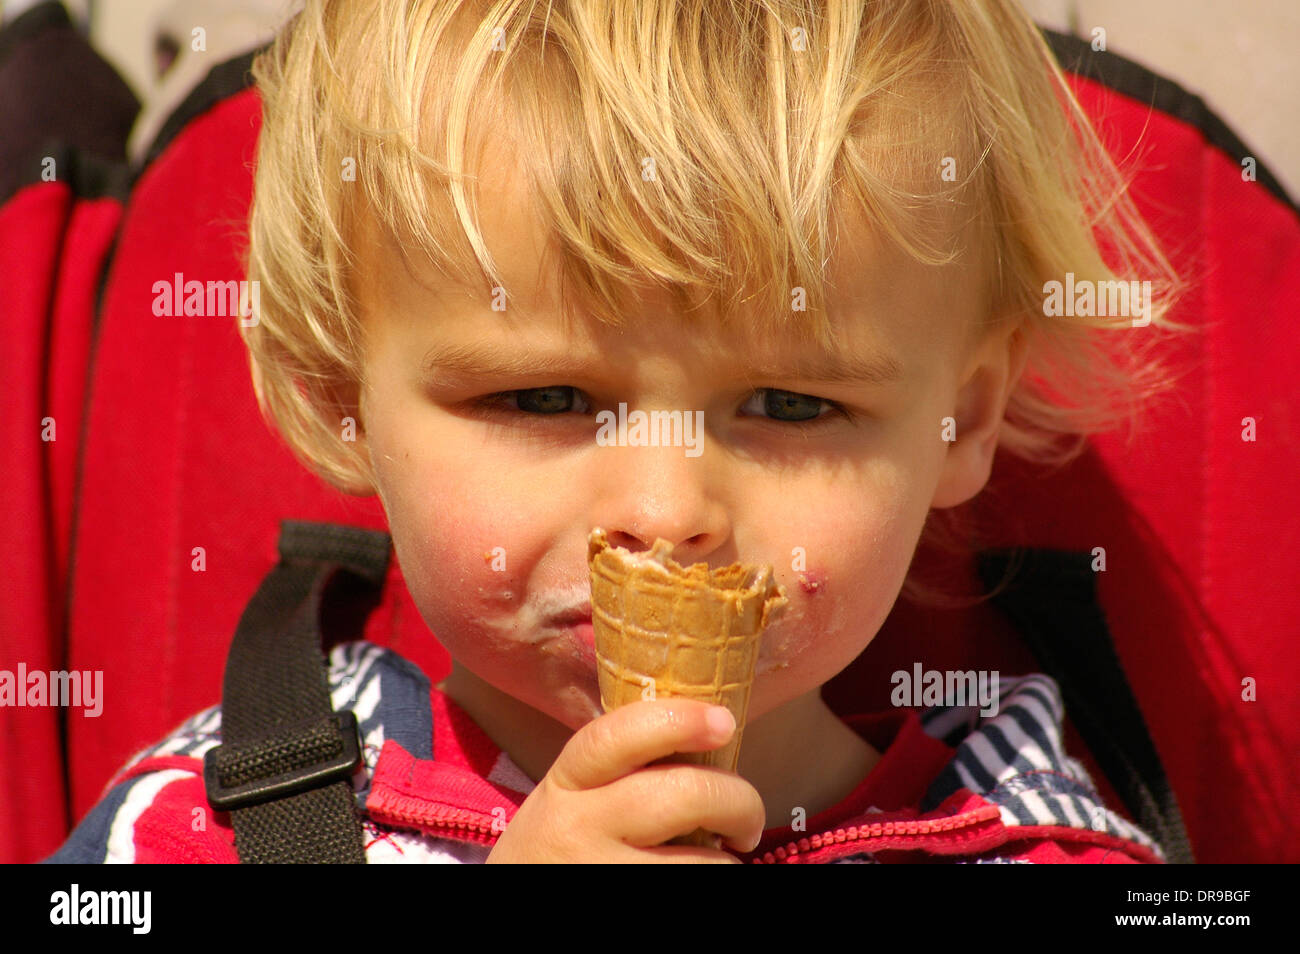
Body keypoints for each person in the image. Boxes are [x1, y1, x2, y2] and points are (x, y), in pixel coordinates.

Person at [49, 0, 1184, 864]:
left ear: (959, 422)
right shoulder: (225, 813)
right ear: (334, 390)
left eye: (792, 405)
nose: (665, 513)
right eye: (543, 399)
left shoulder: (1030, 835)